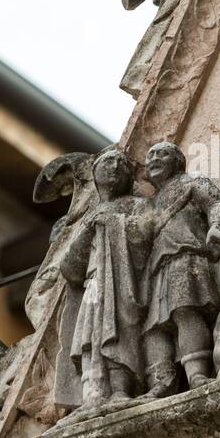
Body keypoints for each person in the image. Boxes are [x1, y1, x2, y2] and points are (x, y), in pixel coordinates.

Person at [141, 142, 220, 396]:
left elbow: (217, 204)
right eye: (150, 155)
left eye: (162, 154)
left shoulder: (192, 182)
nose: (154, 159)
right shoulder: (147, 204)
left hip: (186, 258)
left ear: (178, 161)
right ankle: (161, 382)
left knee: (185, 312)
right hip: (155, 271)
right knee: (153, 328)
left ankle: (197, 374)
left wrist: (216, 226)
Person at [61, 148, 148, 406]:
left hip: (124, 282)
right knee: (89, 337)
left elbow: (146, 240)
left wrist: (114, 222)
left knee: (121, 331)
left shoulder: (137, 205)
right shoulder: (90, 218)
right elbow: (69, 269)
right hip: (95, 283)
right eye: (107, 162)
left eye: (121, 163)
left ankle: (121, 390)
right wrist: (89, 229)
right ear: (95, 173)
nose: (114, 166)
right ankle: (92, 395)